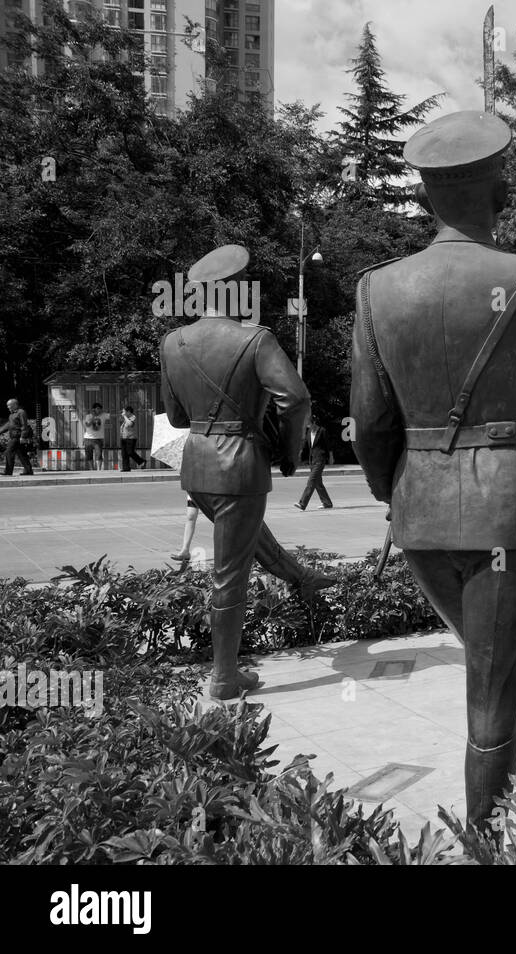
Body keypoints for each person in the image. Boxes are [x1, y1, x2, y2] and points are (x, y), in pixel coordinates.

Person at [350, 110, 516, 833]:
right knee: (489, 703)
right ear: (498, 191)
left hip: (419, 514)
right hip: (506, 510)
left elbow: (371, 422)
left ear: (429, 198)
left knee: (489, 654)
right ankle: (484, 845)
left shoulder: (379, 289)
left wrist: (392, 494)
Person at [161, 243, 339, 701]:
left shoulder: (173, 343)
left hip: (196, 464)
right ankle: (224, 678)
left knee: (246, 537)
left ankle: (301, 577)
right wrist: (288, 450)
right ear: (237, 289)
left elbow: (177, 418)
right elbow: (296, 399)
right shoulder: (255, 340)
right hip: (238, 464)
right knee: (229, 572)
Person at [296, 413, 333, 511]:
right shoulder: (309, 433)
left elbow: (328, 445)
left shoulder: (322, 431)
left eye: (308, 424)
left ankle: (302, 503)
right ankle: (327, 503)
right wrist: (299, 454)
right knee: (318, 483)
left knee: (311, 481)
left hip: (320, 459)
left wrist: (331, 457)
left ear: (313, 422)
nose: (307, 426)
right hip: (312, 460)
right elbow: (305, 445)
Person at [1, 398, 35, 476]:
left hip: (17, 437)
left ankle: (8, 471)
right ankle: (28, 470)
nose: (8, 407)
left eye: (9, 405)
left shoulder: (21, 412)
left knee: (8, 452)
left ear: (15, 405)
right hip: (14, 437)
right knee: (22, 454)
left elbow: (24, 425)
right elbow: (8, 425)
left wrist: (23, 436)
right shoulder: (11, 415)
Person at [120, 405, 146, 472]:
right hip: (124, 438)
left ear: (128, 412)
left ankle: (142, 461)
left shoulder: (133, 417)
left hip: (131, 438)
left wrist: (124, 416)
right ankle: (126, 468)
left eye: (124, 411)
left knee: (130, 452)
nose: (123, 413)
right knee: (124, 454)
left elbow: (130, 424)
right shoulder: (126, 419)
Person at [82, 402, 105, 471]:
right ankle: (91, 470)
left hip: (98, 439)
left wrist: (123, 414)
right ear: (93, 409)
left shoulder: (103, 415)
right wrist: (93, 417)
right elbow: (87, 425)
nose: (99, 410)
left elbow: (113, 415)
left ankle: (99, 470)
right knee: (89, 455)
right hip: (88, 439)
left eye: (100, 409)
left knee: (99, 454)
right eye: (97, 408)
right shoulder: (88, 416)